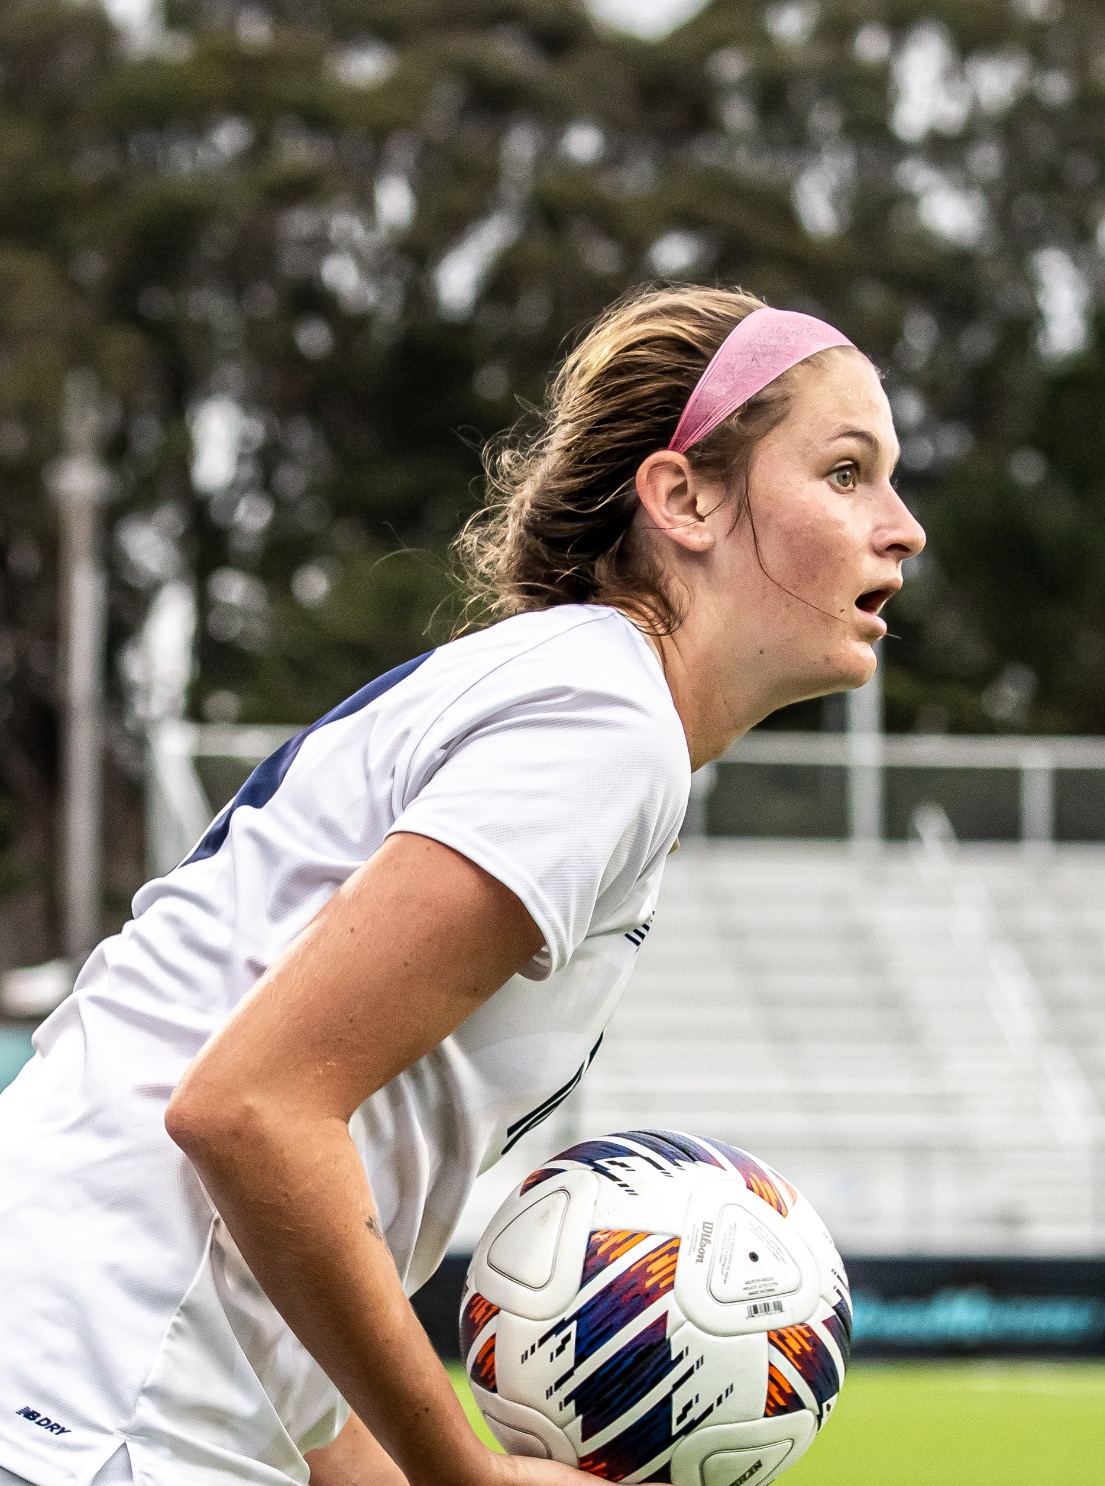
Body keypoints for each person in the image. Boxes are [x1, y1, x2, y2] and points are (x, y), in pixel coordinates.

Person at [0, 286, 923, 1486]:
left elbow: (269, 1263)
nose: (901, 527)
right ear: (682, 497)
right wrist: (463, 1475)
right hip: (81, 1407)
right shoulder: (605, 720)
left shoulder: (571, 696)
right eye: (846, 472)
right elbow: (249, 1110)